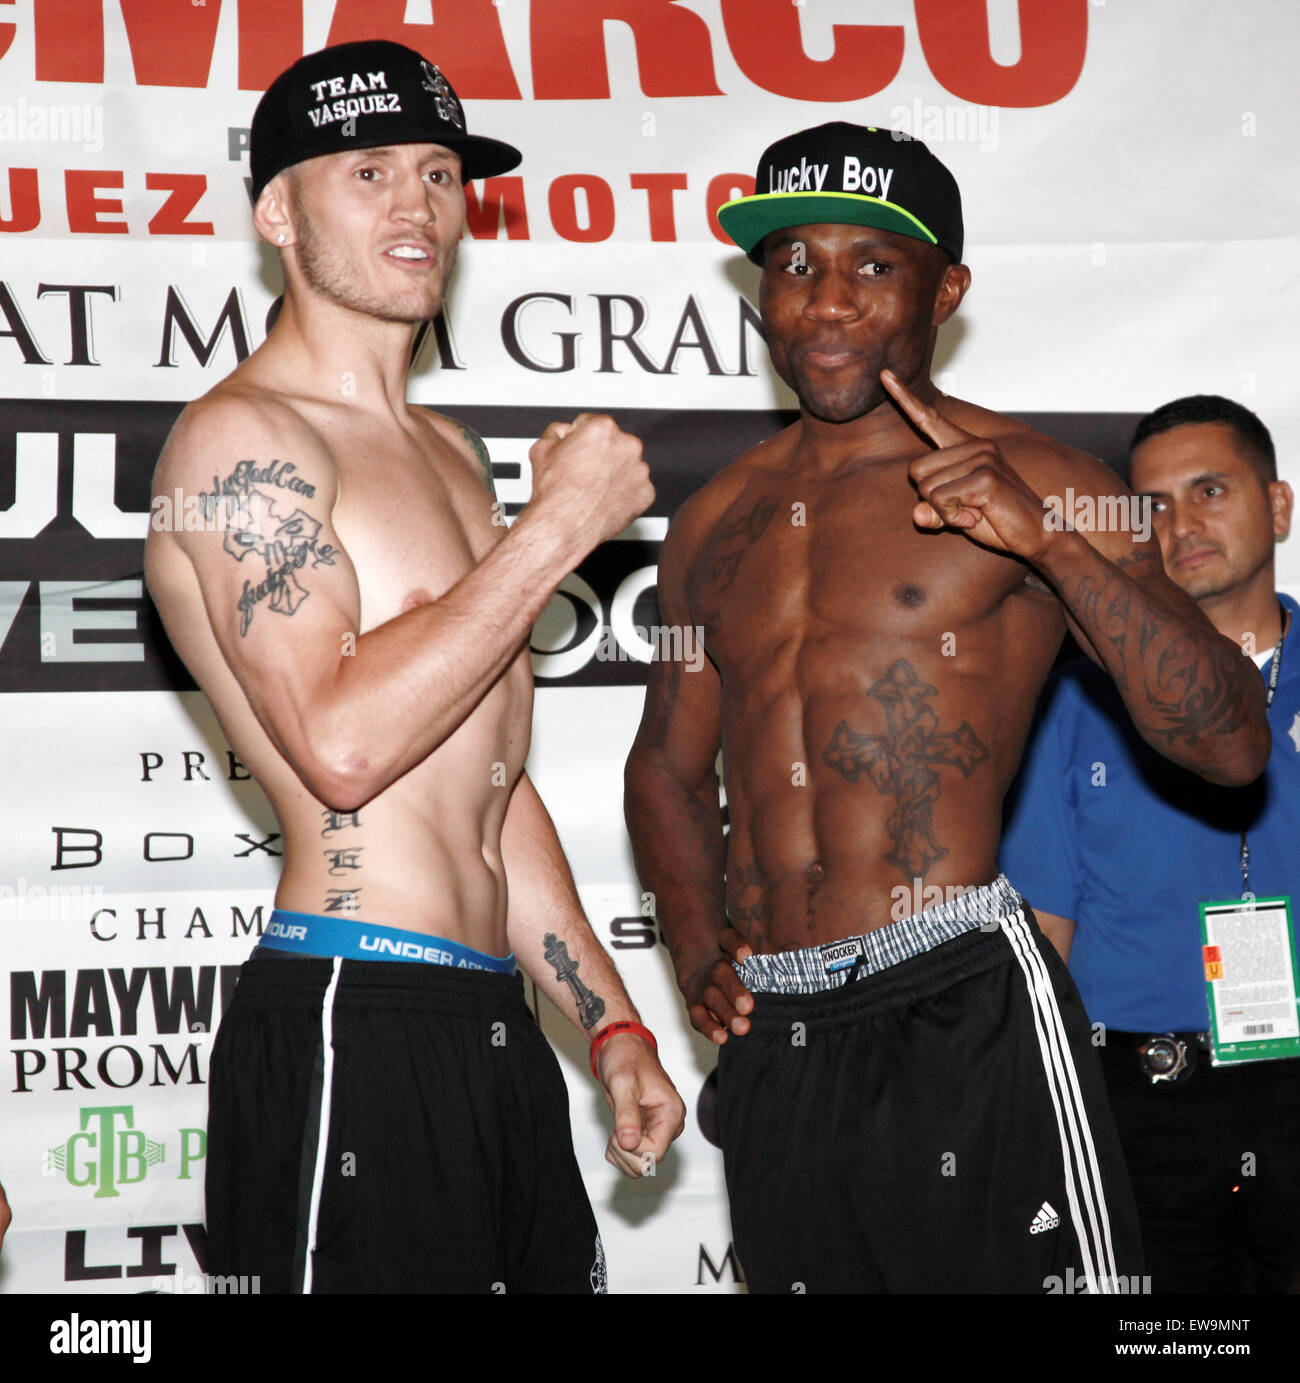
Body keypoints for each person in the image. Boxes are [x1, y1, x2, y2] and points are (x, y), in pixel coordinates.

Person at [623, 122, 1271, 1294]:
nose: (825, 302)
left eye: (873, 267)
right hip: (783, 1024)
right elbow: (666, 765)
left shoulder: (1052, 480)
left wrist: (1048, 547)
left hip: (958, 998)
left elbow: (1227, 742)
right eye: (795, 263)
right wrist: (696, 940)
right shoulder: (715, 522)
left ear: (947, 289)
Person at [145, 39, 684, 1295]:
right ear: (277, 211)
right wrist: (555, 533)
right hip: (352, 1013)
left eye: (440, 173)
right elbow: (340, 750)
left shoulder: (446, 454)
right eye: (369, 171)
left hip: (490, 1024)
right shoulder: (240, 442)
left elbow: (490, 785)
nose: (415, 205)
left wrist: (602, 1021)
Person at [1000, 395, 1300, 1293]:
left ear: (1279, 506)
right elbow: (1042, 939)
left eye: (1210, 489)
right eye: (1154, 505)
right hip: (1139, 1108)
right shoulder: (1073, 699)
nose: (1182, 524)